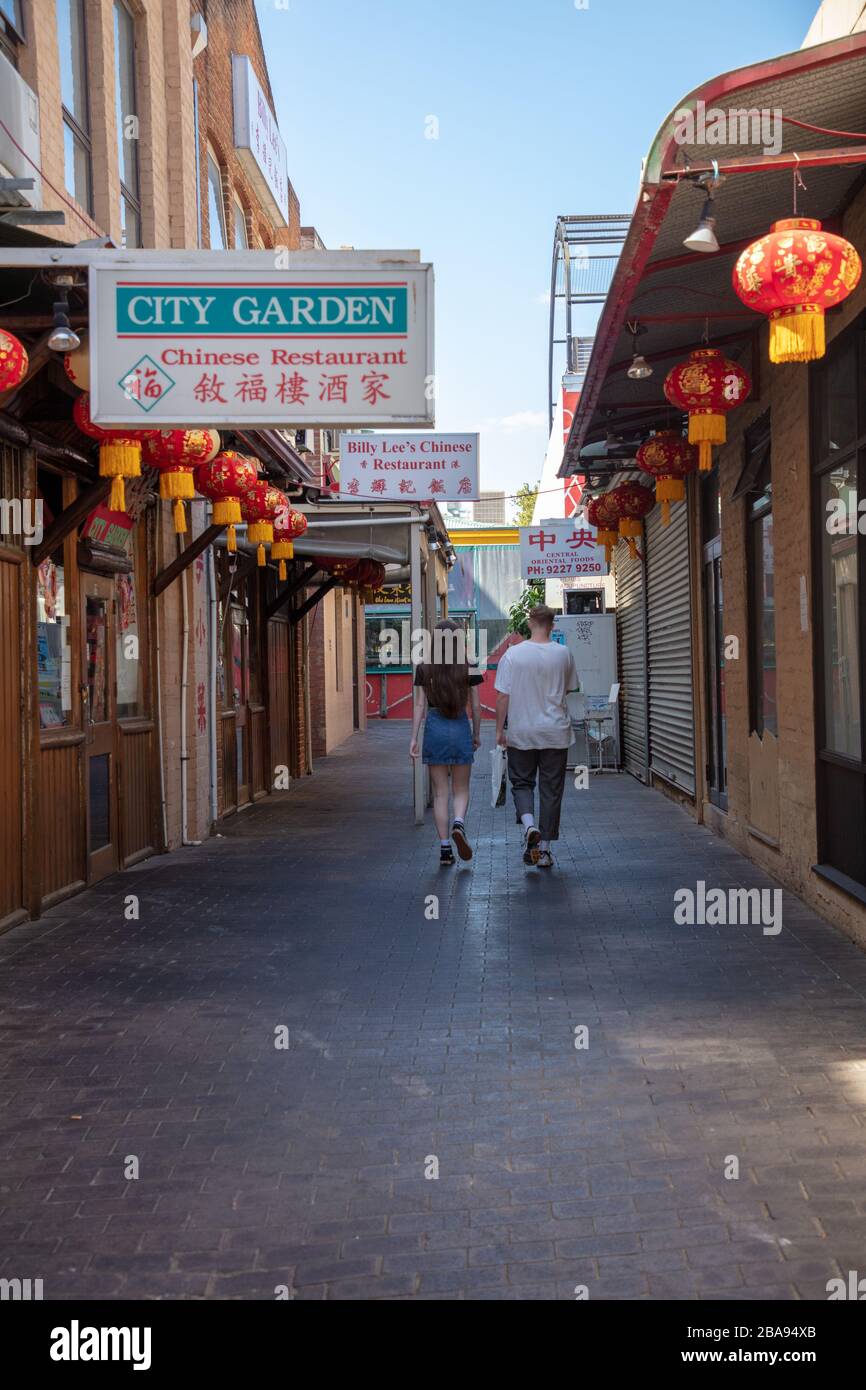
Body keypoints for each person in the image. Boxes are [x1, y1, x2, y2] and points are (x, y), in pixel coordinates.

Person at [494, 605, 579, 868]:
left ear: (530, 623)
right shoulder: (563, 654)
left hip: (522, 731)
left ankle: (529, 826)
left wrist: (500, 730)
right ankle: (544, 850)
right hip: (556, 731)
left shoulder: (513, 655)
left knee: (522, 783)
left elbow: (502, 696)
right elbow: (570, 689)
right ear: (552, 625)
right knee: (551, 790)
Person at [410, 620, 483, 866]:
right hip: (460, 727)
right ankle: (459, 824)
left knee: (440, 793)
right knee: (460, 789)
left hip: (434, 728)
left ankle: (444, 849)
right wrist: (476, 734)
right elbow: (476, 705)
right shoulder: (469, 666)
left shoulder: (424, 668)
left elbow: (419, 705)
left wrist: (413, 738)